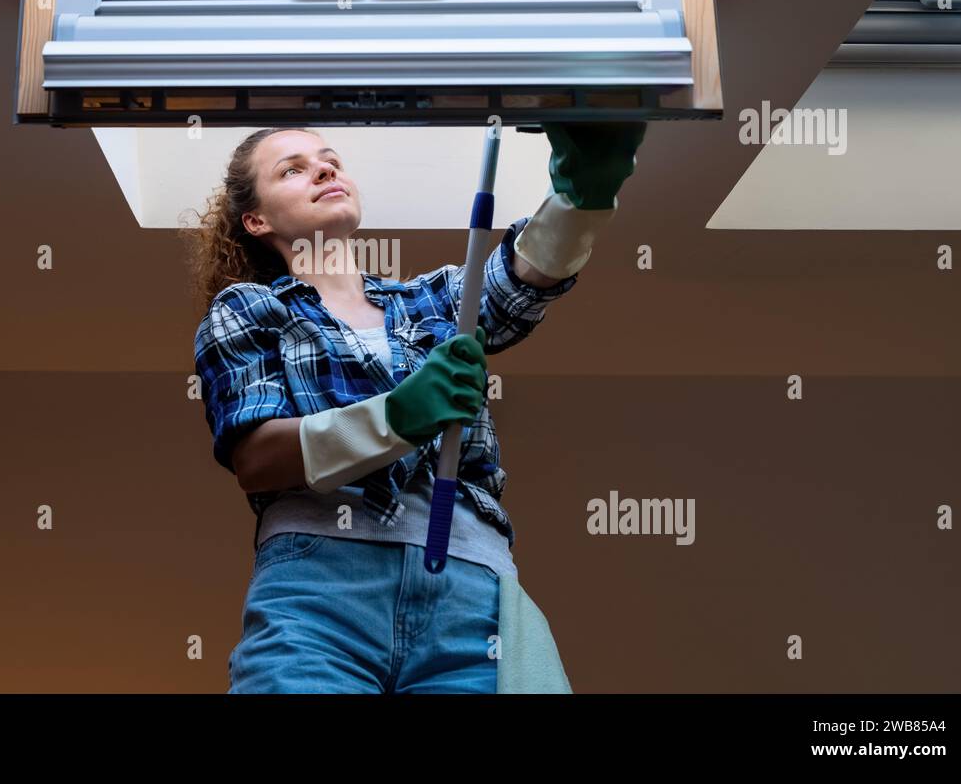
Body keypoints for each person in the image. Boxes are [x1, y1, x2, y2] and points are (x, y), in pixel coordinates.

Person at [186, 122, 645, 693]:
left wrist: (582, 199)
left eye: (330, 159)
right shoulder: (247, 309)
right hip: (320, 590)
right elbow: (257, 459)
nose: (325, 170)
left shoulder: (432, 301)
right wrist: (395, 417)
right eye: (293, 169)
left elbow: (525, 274)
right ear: (257, 221)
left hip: (469, 592)